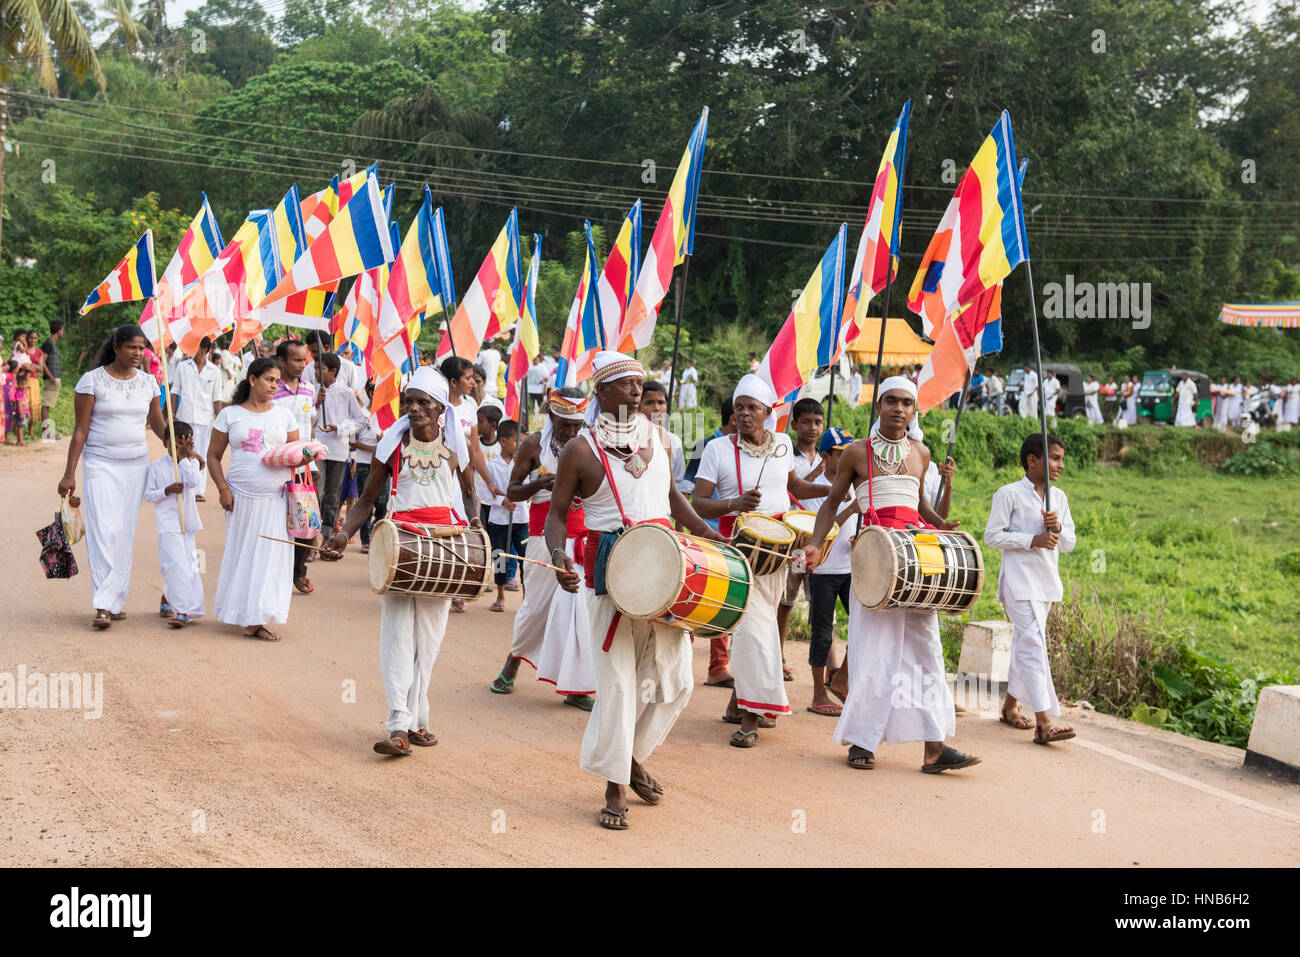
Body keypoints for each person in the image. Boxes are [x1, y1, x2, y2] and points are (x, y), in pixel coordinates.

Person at [546, 351, 723, 829]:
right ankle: (613, 787)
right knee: (620, 684)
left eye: (640, 384)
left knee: (676, 679)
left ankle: (631, 757)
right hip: (611, 572)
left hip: (667, 567)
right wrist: (559, 557)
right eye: (626, 384)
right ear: (601, 392)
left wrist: (707, 533)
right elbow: (558, 515)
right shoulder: (579, 450)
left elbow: (671, 497)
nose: (637, 391)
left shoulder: (658, 438)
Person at [802, 376, 980, 773]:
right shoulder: (855, 453)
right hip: (874, 562)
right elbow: (832, 503)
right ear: (878, 406)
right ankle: (861, 743)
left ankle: (935, 748)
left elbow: (918, 505)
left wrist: (942, 525)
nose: (899, 409)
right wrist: (816, 542)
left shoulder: (921, 453)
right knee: (874, 653)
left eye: (907, 403)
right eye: (891, 402)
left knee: (927, 652)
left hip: (916, 562)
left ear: (914, 412)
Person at [322, 366, 480, 756]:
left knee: (429, 639)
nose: (413, 408)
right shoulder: (391, 446)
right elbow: (366, 500)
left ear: (441, 408)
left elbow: (470, 494)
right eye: (408, 401)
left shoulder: (455, 446)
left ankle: (419, 719)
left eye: (422, 402)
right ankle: (397, 722)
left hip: (445, 548)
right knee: (396, 633)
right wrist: (343, 534)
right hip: (399, 546)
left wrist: (475, 526)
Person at [692, 375, 828, 748]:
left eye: (752, 408)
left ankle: (739, 703)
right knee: (756, 627)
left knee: (758, 623)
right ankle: (753, 714)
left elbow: (795, 489)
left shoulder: (783, 443)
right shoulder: (717, 449)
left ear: (769, 413)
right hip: (738, 548)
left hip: (780, 550)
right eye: (739, 407)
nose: (744, 414)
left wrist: (835, 490)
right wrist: (734, 504)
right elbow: (698, 503)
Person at [58, 324, 167, 628]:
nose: (137, 353)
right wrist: (69, 473)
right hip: (100, 464)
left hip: (135, 465)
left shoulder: (149, 383)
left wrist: (173, 440)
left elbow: (156, 422)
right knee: (104, 529)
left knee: (122, 533)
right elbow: (81, 430)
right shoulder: (92, 381)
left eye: (141, 347)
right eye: (132, 347)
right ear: (116, 346)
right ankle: (103, 605)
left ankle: (115, 600)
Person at [490, 387, 591, 702]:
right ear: (552, 416)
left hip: (582, 534)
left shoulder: (590, 445)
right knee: (536, 606)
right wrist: (538, 483)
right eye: (566, 424)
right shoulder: (534, 445)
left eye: (578, 425)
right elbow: (513, 491)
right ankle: (513, 661)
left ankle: (575, 687)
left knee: (579, 612)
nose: (572, 431)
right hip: (542, 534)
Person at [984, 433, 1077, 745]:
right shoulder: (1008, 494)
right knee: (1034, 644)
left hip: (1046, 583)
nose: (1060, 464)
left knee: (1026, 645)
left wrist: (1058, 527)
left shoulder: (1058, 499)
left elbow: (1069, 544)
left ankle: (1009, 706)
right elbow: (992, 536)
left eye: (1061, 458)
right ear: (1032, 460)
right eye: (1054, 458)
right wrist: (1031, 539)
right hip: (1018, 582)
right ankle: (1044, 721)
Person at [207, 358, 301, 641]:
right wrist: (223, 489)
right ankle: (242, 613)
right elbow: (213, 456)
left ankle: (258, 616)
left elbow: (297, 452)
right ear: (252, 379)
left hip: (276, 497)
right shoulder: (230, 414)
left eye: (277, 381)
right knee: (244, 552)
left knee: (271, 556)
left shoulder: (285, 415)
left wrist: (308, 456)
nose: (275, 386)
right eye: (270, 380)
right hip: (241, 497)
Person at [683, 395, 736, 687]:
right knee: (694, 595)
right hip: (704, 531)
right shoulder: (706, 446)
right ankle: (681, 659)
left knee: (724, 599)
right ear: (732, 419)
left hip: (730, 532)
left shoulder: (743, 449)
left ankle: (718, 665)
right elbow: (686, 491)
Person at [805, 427, 857, 716]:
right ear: (825, 457)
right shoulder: (816, 490)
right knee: (822, 633)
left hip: (851, 569)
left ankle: (842, 681)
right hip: (822, 571)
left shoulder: (859, 484)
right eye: (841, 454)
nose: (848, 457)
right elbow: (821, 528)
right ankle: (817, 694)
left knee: (863, 626)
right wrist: (850, 510)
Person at [777, 397, 827, 683]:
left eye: (818, 422)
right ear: (794, 424)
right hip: (795, 542)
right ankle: (779, 654)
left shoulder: (828, 455)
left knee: (820, 601)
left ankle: (826, 665)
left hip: (819, 542)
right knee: (786, 600)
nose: (812, 427)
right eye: (806, 422)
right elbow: (793, 486)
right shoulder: (788, 458)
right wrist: (819, 471)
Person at [145, 421, 206, 628]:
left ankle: (180, 604)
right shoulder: (156, 466)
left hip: (186, 523)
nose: (179, 448)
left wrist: (185, 459)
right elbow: (148, 495)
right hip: (168, 524)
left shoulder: (191, 464)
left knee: (188, 566)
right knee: (174, 564)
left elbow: (192, 482)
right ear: (165, 443)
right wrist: (166, 490)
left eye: (184, 444)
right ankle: (181, 609)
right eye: (175, 444)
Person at [273, 339, 319, 595]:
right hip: (279, 466)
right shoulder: (271, 388)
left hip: (305, 465)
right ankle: (278, 570)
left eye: (304, 360)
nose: (302, 365)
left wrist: (312, 459)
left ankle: (298, 571)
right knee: (280, 521)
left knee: (307, 522)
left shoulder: (309, 389)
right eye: (297, 360)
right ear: (282, 360)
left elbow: (309, 423)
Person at [315, 351, 368, 536]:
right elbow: (307, 420)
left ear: (333, 371)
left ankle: (327, 535)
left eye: (320, 369)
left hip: (338, 450)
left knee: (332, 495)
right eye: (315, 368)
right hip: (317, 449)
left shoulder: (346, 393)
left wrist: (339, 427)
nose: (316, 372)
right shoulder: (313, 390)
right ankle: (313, 534)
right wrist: (316, 404)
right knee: (317, 492)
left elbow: (361, 422)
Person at [486, 419, 529, 612]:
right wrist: (501, 501)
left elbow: (529, 487)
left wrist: (519, 496)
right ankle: (501, 594)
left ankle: (527, 599)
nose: (520, 445)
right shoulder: (492, 466)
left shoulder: (524, 464)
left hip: (521, 519)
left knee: (526, 558)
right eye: (516, 441)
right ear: (503, 442)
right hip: (500, 520)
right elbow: (484, 491)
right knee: (500, 557)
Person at [173, 336, 222, 501]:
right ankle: (184, 486)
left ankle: (199, 490)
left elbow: (217, 397)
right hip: (184, 416)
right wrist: (171, 415)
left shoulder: (214, 371)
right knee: (183, 452)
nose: (192, 350)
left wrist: (219, 418)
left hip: (205, 419)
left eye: (196, 347)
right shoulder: (182, 366)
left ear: (205, 350)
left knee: (201, 451)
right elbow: (175, 391)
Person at [349, 386, 388, 554]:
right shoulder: (362, 414)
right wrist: (372, 449)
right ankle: (365, 540)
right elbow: (351, 440)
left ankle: (376, 538)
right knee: (366, 502)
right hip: (365, 464)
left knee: (382, 504)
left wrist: (384, 440)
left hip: (384, 465)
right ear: (372, 393)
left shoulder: (388, 414)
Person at [639, 380, 686, 491]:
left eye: (661, 402)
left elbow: (678, 482)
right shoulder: (631, 439)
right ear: (638, 406)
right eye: (649, 403)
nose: (657, 408)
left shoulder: (673, 441)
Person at [474, 404, 504, 529]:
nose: (476, 424)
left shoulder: (501, 446)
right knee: (481, 529)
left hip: (495, 498)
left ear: (493, 426)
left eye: (480, 421)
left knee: (494, 532)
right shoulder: (474, 444)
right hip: (479, 497)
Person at [40, 320, 65, 439]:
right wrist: (51, 377)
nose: (63, 331)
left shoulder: (52, 343)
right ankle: (46, 433)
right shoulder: (48, 343)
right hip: (51, 379)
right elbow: (42, 362)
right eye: (62, 329)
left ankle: (47, 432)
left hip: (54, 379)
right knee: (46, 405)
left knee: (48, 405)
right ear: (59, 330)